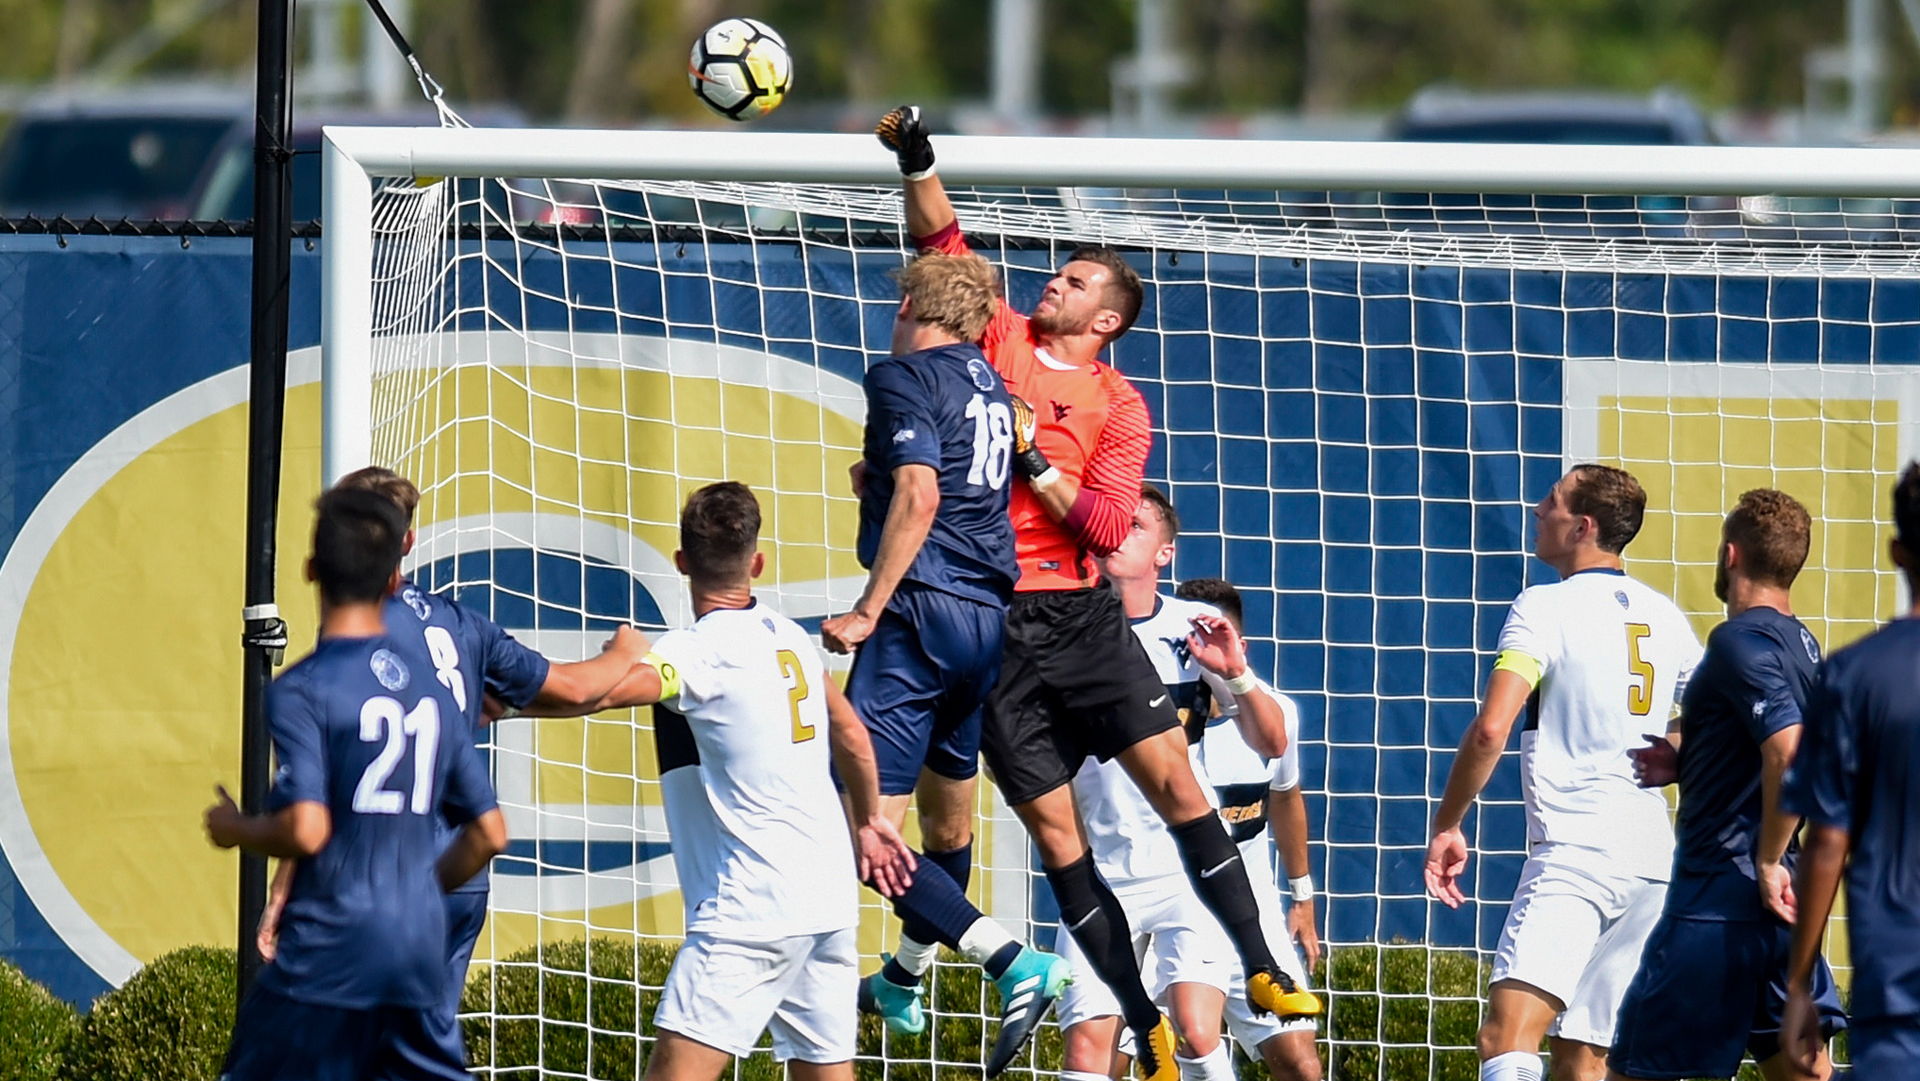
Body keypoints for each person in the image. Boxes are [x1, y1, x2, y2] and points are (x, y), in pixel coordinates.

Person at [876, 104, 1318, 1081]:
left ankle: (1261, 967)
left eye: (1074, 279)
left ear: (1105, 318)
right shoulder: (999, 340)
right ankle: (1132, 1017)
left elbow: (1111, 529)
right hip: (992, 621)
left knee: (1175, 778)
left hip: (1074, 616)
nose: (1052, 280)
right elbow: (942, 242)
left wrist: (1034, 457)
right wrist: (917, 157)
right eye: (1057, 270)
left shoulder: (1119, 404)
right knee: (1057, 836)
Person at [257, 466, 655, 1069]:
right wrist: (625, 653)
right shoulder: (461, 626)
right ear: (409, 542)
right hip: (456, 878)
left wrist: (284, 888)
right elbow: (571, 691)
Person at [819, 251, 1067, 1061]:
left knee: (859, 828)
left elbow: (925, 493)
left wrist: (867, 609)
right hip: (984, 619)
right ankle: (904, 974)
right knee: (948, 824)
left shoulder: (902, 373)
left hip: (919, 617)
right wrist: (878, 481)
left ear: (913, 306)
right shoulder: (994, 383)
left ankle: (1010, 959)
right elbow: (949, 484)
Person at [583, 481, 914, 1081]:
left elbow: (601, 694)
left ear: (683, 563)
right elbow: (857, 741)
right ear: (756, 563)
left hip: (750, 914)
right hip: (828, 901)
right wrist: (870, 824)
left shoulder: (694, 653)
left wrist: (615, 656)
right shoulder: (792, 639)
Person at [206, 487, 510, 1081]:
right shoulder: (433, 692)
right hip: (417, 945)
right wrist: (422, 890)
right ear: (395, 579)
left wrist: (236, 827)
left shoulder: (303, 690)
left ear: (312, 570)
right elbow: (490, 832)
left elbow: (308, 826)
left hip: (330, 945)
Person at [1424, 465, 1703, 1081]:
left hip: (1578, 854)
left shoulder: (1543, 605)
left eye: (1550, 501)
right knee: (1583, 1059)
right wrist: (1658, 752)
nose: (1535, 510)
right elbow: (1721, 724)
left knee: (1506, 1038)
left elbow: (1492, 728)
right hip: (1653, 864)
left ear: (1582, 526)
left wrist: (1447, 823)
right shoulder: (1665, 618)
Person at [1052, 487, 1320, 1081]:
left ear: (1164, 554)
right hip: (1102, 875)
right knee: (1086, 1053)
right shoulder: (1060, 632)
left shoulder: (1192, 629)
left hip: (1184, 873)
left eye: (1136, 524)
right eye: (1110, 522)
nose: (1117, 532)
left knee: (1199, 1032)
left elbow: (1273, 745)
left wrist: (1237, 676)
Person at [1606, 489, 1845, 1081]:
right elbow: (1763, 729)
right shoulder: (1804, 646)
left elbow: (1787, 753)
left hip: (1718, 900)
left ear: (1731, 554)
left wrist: (1765, 858)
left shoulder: (1736, 640)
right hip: (1779, 910)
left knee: (1637, 1072)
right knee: (1806, 1071)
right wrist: (1684, 753)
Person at [1780, 463, 1920, 1079]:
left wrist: (1799, 981)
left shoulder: (1854, 674)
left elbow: (1827, 839)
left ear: (1895, 552)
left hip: (1896, 973)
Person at [1173, 575, 1323, 1081]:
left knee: (1302, 1063)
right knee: (1161, 1049)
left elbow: (1285, 797)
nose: (1201, 652)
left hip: (1251, 913)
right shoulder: (1151, 723)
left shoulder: (1274, 715)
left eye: (1216, 638)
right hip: (1172, 910)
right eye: (1189, 639)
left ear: (1241, 646)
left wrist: (1302, 898)